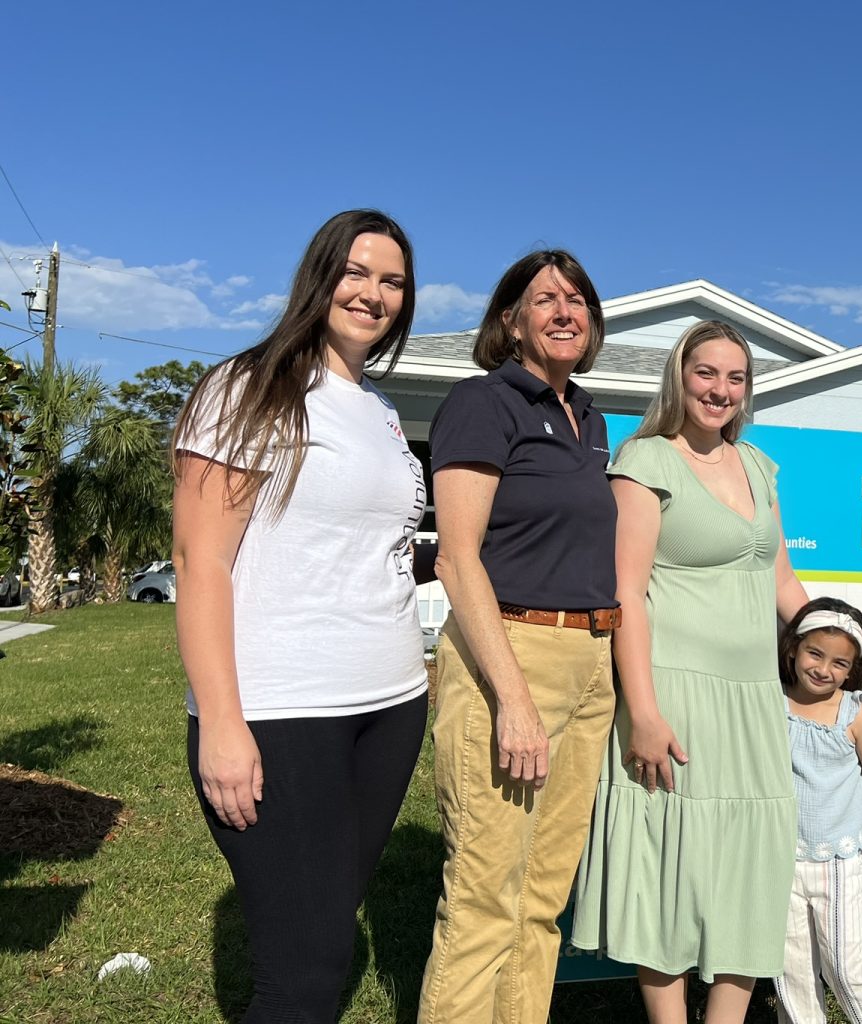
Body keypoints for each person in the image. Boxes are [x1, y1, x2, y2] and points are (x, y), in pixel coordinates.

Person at [172, 208, 426, 1022]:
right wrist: (221, 720)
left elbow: (367, 547)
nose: (374, 294)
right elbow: (198, 561)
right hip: (283, 710)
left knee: (322, 937)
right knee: (308, 975)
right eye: (357, 272)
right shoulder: (248, 386)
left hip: (388, 706)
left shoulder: (381, 411)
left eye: (392, 282)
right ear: (320, 275)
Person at [572, 319, 808, 1024]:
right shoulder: (645, 459)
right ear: (680, 376)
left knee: (750, 866)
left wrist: (838, 639)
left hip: (755, 701)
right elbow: (626, 594)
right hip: (673, 693)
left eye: (735, 378)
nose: (721, 390)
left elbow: (783, 583)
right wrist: (642, 711)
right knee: (668, 866)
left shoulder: (760, 467)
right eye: (707, 373)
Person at [417, 250, 618, 1024]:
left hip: (590, 662)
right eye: (544, 299)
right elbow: (458, 557)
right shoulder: (484, 402)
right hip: (512, 654)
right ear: (511, 322)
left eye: (577, 299)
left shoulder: (589, 417)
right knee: (484, 900)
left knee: (539, 904)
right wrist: (513, 699)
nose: (564, 310)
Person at [772, 598, 862, 1024]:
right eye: (815, 653)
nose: (823, 669)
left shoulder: (853, 713)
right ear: (793, 648)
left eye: (839, 663)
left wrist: (837, 818)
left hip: (836, 863)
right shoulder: (769, 703)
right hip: (778, 860)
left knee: (846, 969)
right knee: (791, 972)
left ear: (853, 671)